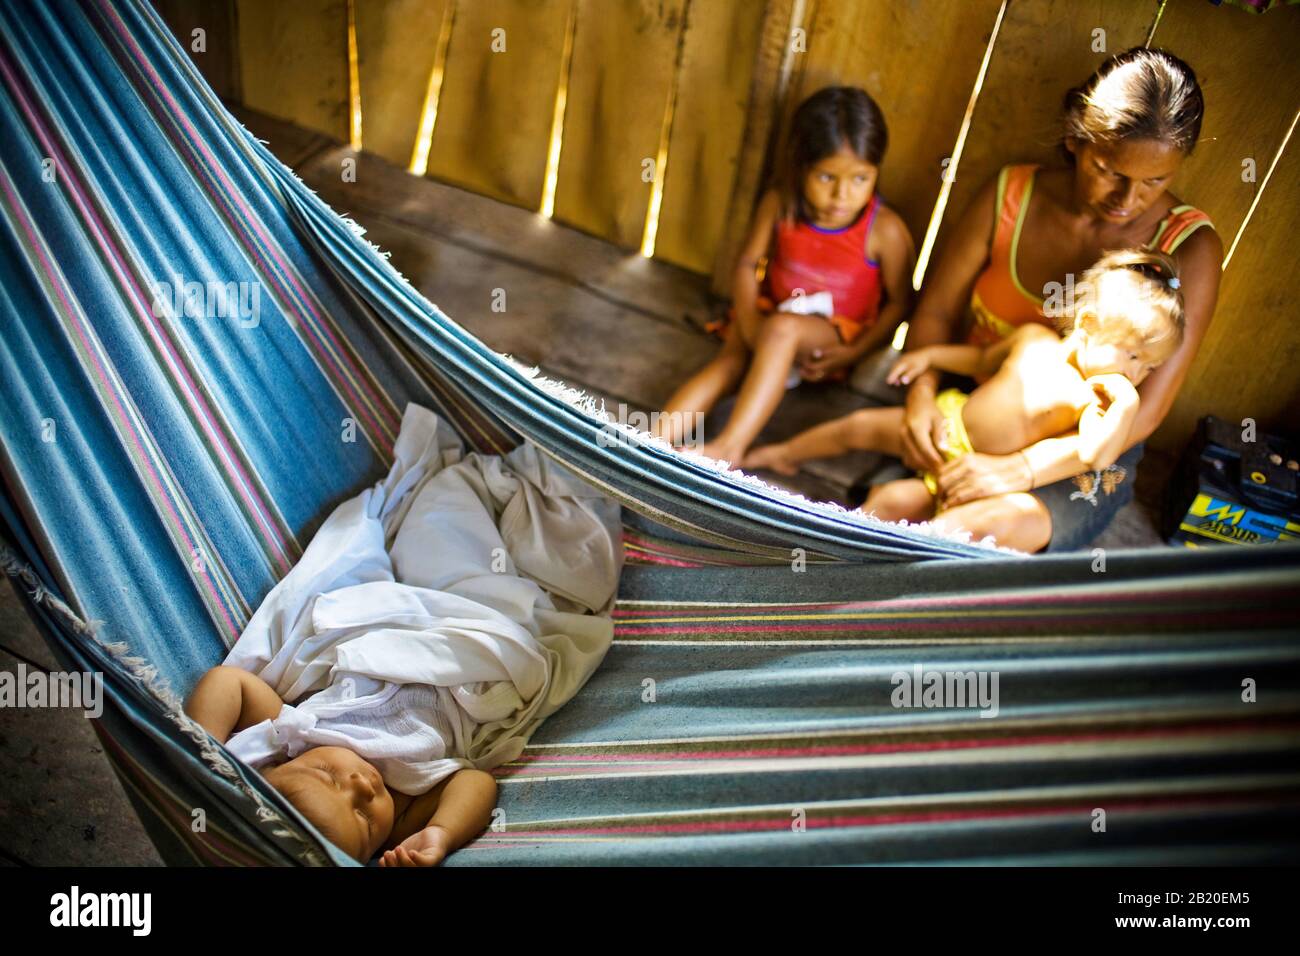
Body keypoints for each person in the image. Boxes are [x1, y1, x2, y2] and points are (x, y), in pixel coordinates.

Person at [893, 48, 1220, 551]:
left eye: (1155, 181)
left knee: (988, 525)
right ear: (1074, 140)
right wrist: (920, 397)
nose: (1127, 199)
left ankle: (848, 594)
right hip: (972, 402)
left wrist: (1019, 470)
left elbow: (1146, 415)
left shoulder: (1189, 249)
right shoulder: (1012, 196)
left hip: (1084, 452)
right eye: (1109, 170)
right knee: (900, 498)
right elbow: (935, 312)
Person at [743, 251, 1184, 549]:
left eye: (1148, 367)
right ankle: (781, 453)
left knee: (894, 502)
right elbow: (980, 357)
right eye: (1131, 356)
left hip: (966, 475)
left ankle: (856, 552)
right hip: (947, 424)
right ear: (1088, 324)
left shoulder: (1093, 401)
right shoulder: (1034, 341)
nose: (1136, 374)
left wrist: (1123, 406)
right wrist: (931, 356)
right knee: (856, 428)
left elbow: (1096, 453)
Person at [655, 86, 915, 464]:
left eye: (860, 179)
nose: (842, 194)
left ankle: (728, 448)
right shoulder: (780, 204)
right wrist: (747, 323)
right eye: (827, 177)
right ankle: (648, 443)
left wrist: (853, 353)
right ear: (802, 167)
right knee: (729, 362)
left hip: (830, 341)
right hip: (766, 319)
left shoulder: (884, 231)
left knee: (782, 330)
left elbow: (901, 303)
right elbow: (746, 265)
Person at [185, 664, 498, 866]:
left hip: (388, 655)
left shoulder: (293, 739)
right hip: (463, 680)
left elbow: (228, 681)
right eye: (364, 819)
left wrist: (203, 755)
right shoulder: (398, 824)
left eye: (327, 775)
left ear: (283, 764)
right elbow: (475, 782)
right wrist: (441, 832)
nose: (364, 786)